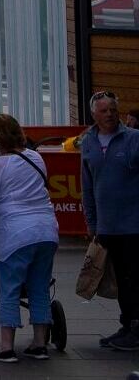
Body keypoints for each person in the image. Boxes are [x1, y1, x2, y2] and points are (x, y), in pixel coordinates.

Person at [0, 114, 58, 362]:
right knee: (39, 287)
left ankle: (6, 347)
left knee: (10, 289)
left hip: (15, 233)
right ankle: (39, 344)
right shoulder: (36, 157)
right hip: (46, 230)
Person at [79, 91, 139, 350]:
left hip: (133, 225)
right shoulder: (88, 142)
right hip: (106, 225)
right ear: (94, 114)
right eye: (104, 111)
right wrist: (91, 222)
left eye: (113, 110)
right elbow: (87, 185)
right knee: (118, 280)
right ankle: (128, 325)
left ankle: (136, 328)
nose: (110, 115)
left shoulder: (134, 139)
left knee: (134, 278)